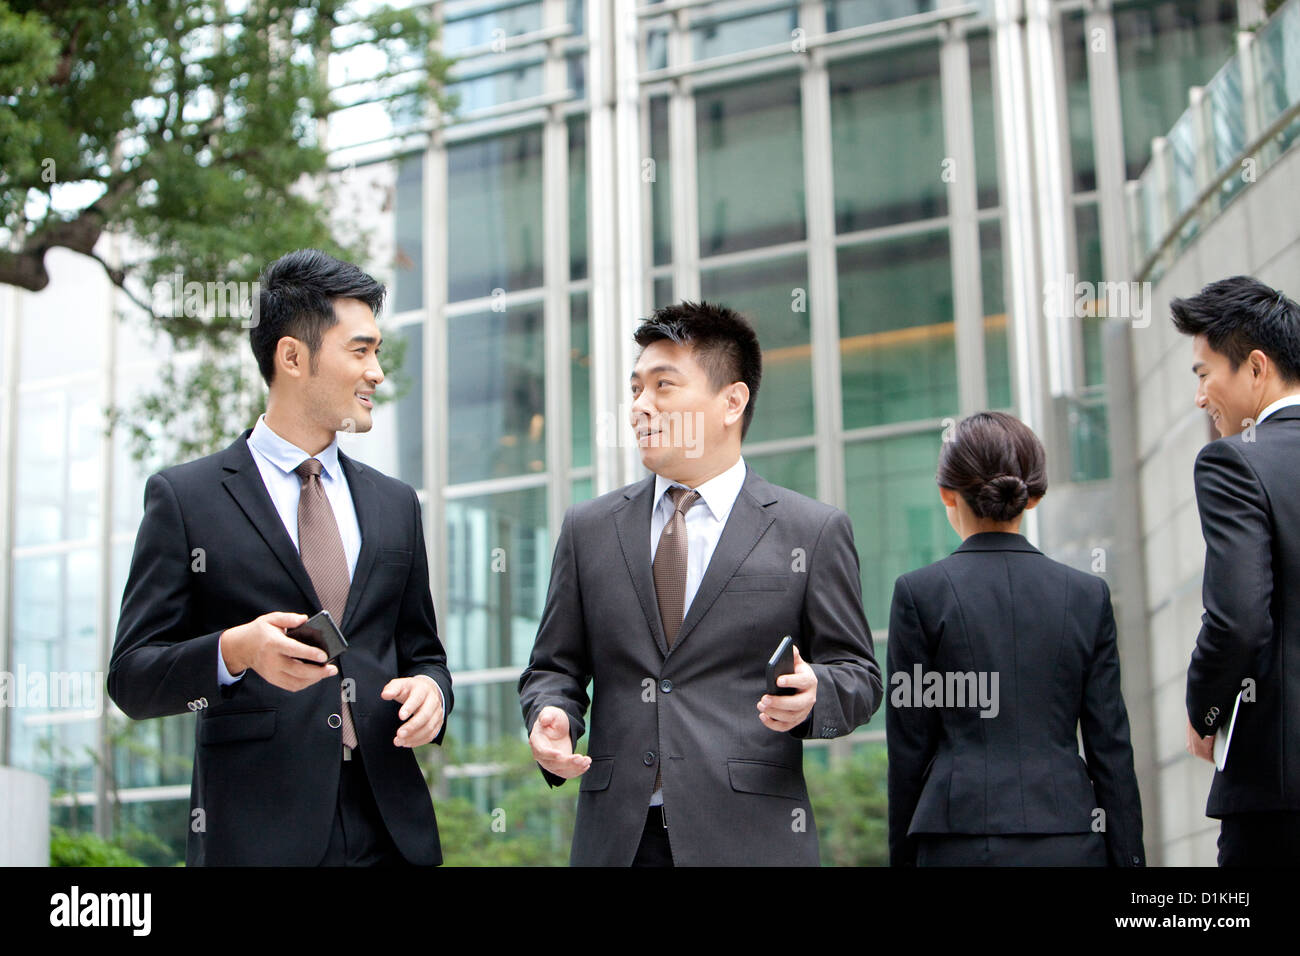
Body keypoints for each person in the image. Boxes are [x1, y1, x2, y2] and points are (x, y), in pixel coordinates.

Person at [108, 249, 452, 866]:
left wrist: (433, 692)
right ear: (292, 357)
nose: (376, 371)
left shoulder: (395, 503)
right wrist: (235, 652)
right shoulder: (186, 499)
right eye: (360, 350)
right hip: (256, 835)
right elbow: (133, 677)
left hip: (392, 830)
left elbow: (423, 651)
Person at [518, 300, 881, 866]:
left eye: (664, 386)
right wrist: (553, 714)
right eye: (636, 388)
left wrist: (817, 696)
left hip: (752, 838)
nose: (640, 406)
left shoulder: (810, 531)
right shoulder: (588, 529)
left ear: (732, 401)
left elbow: (858, 675)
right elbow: (553, 668)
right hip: (618, 841)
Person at [886, 411, 1144, 866]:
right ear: (1034, 497)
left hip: (956, 839)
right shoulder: (1087, 595)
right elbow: (1110, 748)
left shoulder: (919, 593)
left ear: (948, 493)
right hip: (1069, 835)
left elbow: (909, 750)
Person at [1173, 276, 1300, 866]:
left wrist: (1207, 711)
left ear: (1255, 367)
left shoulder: (1233, 463)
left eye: (1204, 374)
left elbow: (1239, 619)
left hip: (1279, 792)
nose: (1201, 397)